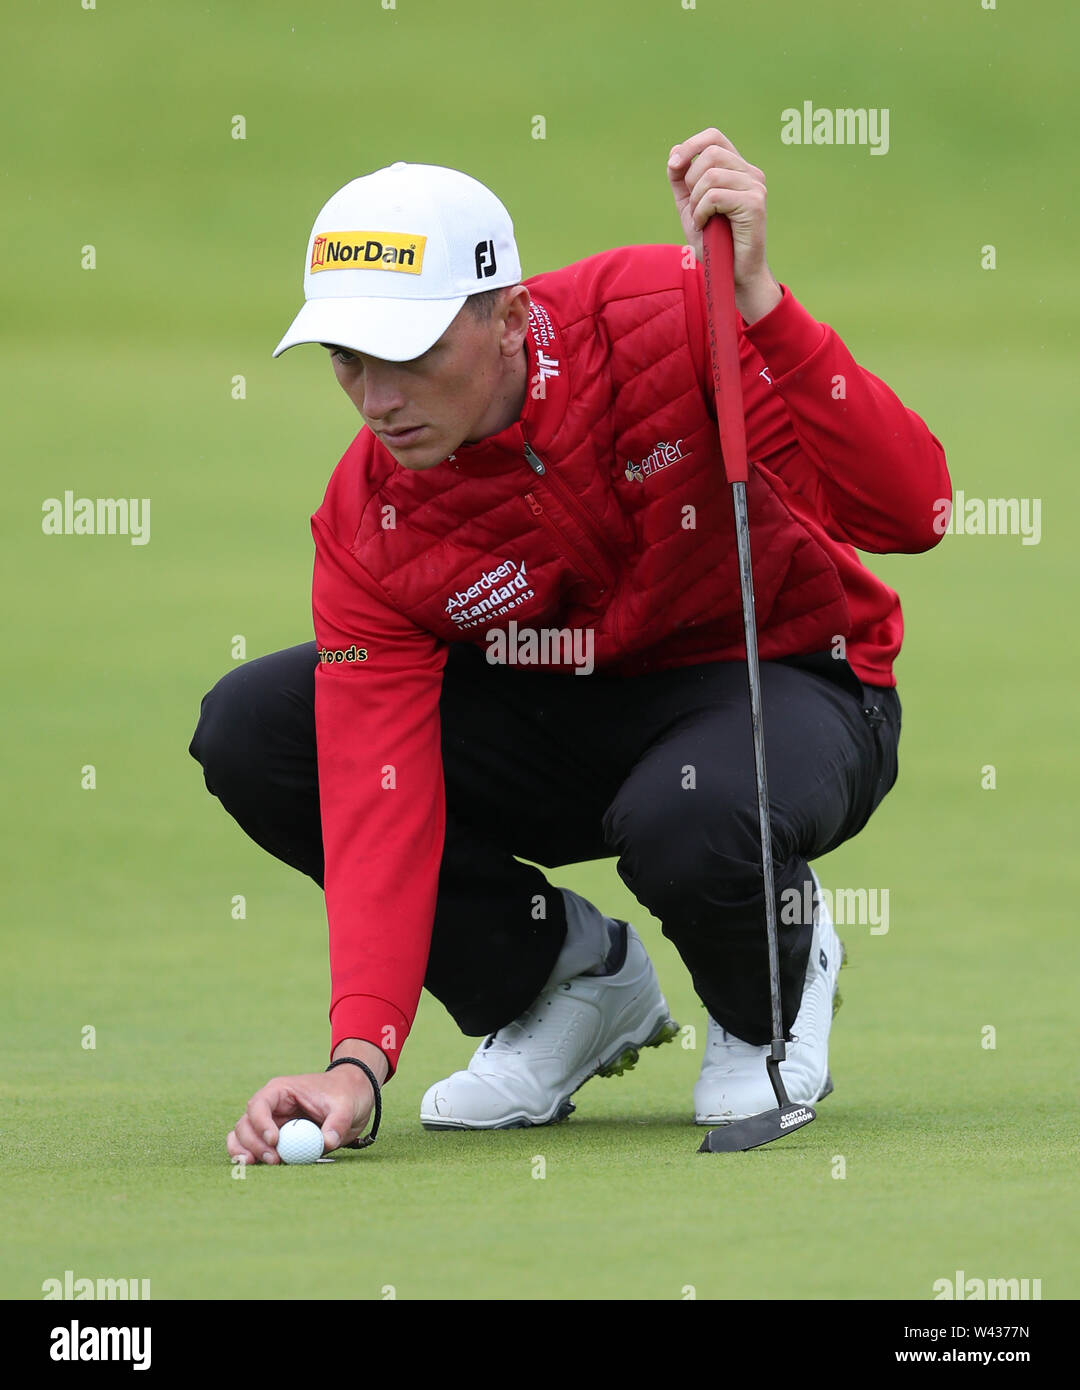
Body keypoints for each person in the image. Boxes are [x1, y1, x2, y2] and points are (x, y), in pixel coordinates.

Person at [189, 129, 949, 1165]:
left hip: (789, 679)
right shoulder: (370, 519)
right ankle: (562, 981)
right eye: (347, 359)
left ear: (506, 317)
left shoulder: (670, 317)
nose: (376, 398)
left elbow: (916, 509)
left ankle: (767, 985)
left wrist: (761, 305)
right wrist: (360, 1053)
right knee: (258, 728)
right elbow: (375, 783)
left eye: (409, 354)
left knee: (687, 810)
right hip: (563, 707)